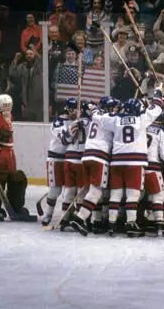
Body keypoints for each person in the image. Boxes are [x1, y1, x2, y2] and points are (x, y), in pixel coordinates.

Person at [97, 83, 164, 237]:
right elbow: (157, 108)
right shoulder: (142, 119)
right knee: (132, 195)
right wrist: (158, 93)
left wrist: (95, 109)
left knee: (115, 194)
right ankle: (130, 223)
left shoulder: (115, 120)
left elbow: (101, 118)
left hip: (117, 161)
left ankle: (111, 224)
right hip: (135, 161)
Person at [71, 96, 119, 235]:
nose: (115, 109)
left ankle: (91, 220)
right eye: (113, 107)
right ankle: (80, 218)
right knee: (96, 191)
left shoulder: (95, 118)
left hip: (86, 156)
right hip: (100, 157)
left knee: (90, 190)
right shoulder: (110, 119)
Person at [0, 94, 30, 221]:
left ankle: (16, 206)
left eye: (9, 105)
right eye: (4, 105)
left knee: (16, 178)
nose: (7, 107)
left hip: (9, 153)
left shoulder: (9, 117)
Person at [41, 98, 78, 226]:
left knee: (70, 190)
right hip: (56, 158)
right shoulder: (58, 122)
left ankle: (66, 216)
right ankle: (48, 215)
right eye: (74, 108)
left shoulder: (76, 121)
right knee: (55, 190)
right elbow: (64, 140)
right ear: (68, 108)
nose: (76, 111)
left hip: (69, 159)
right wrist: (73, 129)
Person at [60, 100, 91, 230]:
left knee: (69, 189)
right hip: (81, 160)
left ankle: (64, 218)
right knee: (81, 191)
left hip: (69, 159)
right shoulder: (91, 123)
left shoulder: (74, 123)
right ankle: (79, 218)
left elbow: (64, 140)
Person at [143, 112, 164, 236]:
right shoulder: (160, 130)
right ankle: (158, 221)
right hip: (153, 166)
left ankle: (139, 219)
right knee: (158, 195)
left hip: (138, 166)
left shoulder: (141, 127)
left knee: (136, 197)